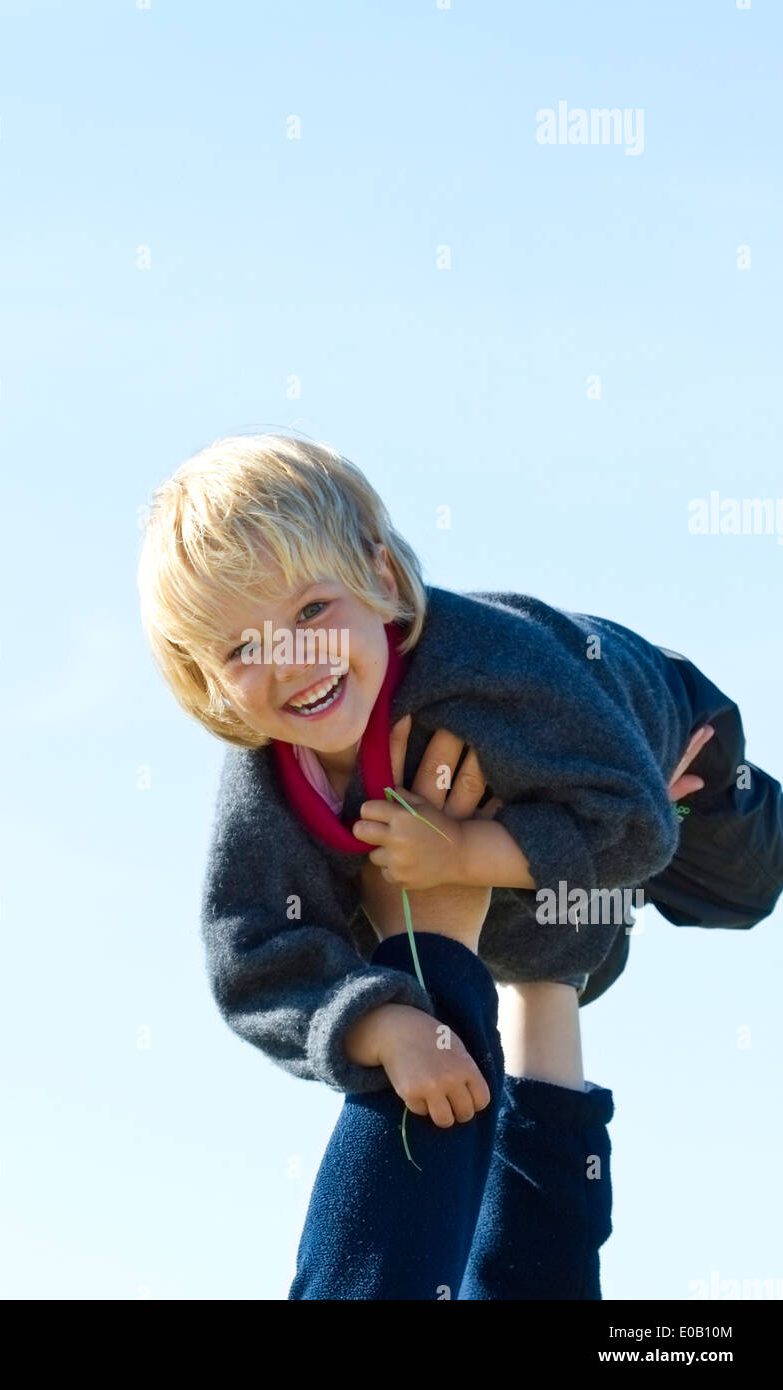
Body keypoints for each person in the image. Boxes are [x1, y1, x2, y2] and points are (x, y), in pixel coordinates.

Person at [136, 432, 783, 1299]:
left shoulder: (485, 671)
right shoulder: (269, 776)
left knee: (743, 891)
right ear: (207, 681)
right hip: (531, 888)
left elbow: (635, 823)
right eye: (242, 649)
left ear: (386, 586)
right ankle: (577, 921)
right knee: (552, 954)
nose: (292, 660)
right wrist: (377, 1025)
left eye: (313, 611)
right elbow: (251, 956)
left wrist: (463, 851)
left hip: (643, 735)